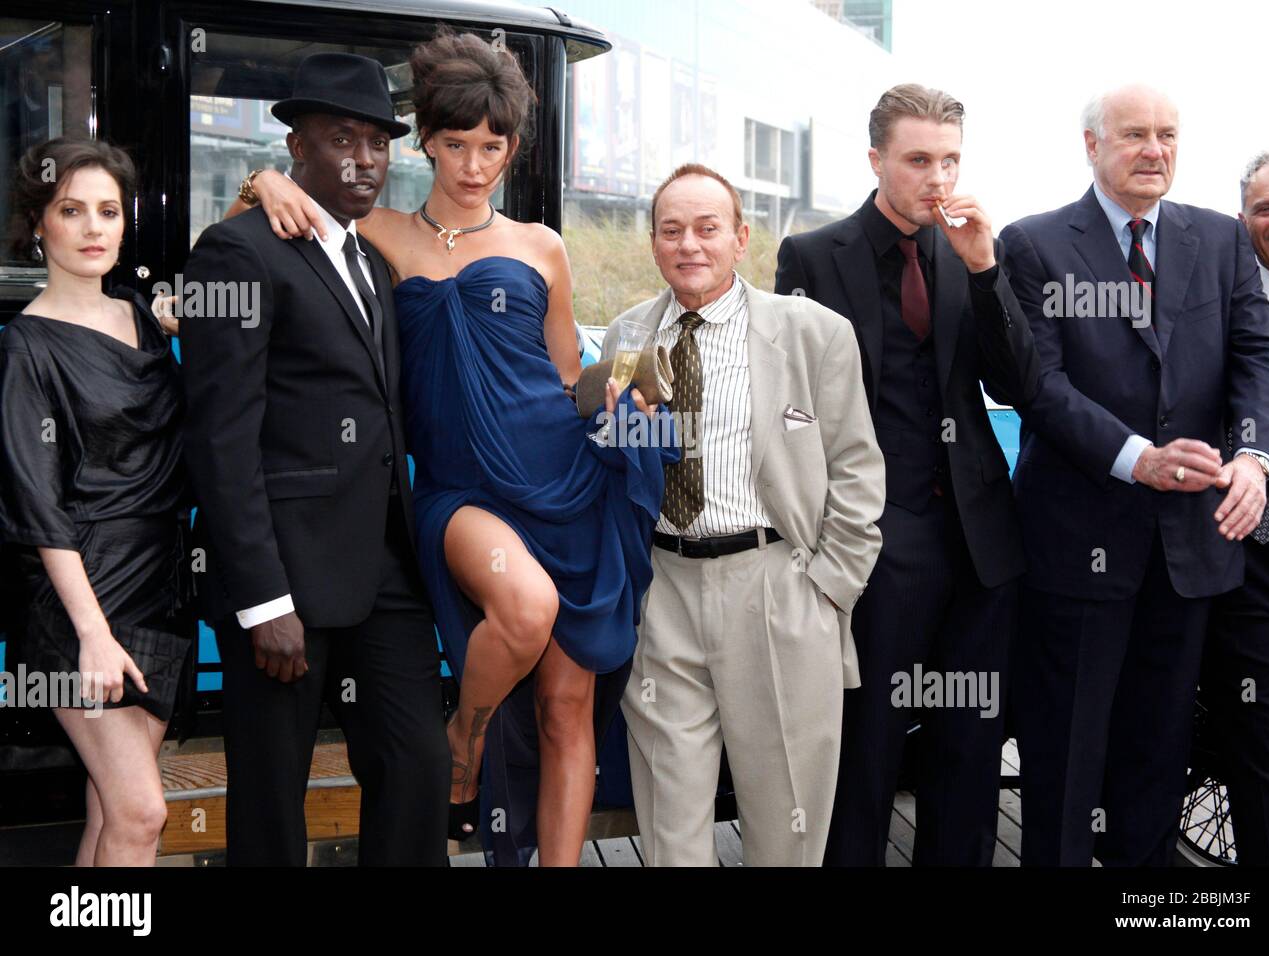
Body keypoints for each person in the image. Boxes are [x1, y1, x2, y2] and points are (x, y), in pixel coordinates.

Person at [227, 29, 674, 866]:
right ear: (425, 140)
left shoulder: (544, 244)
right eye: (456, 144)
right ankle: (464, 738)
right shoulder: (378, 236)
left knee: (565, 708)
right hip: (459, 491)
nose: (474, 164)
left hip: (564, 477)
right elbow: (238, 243)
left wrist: (627, 394)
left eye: (493, 147)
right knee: (525, 607)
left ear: (511, 148)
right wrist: (264, 181)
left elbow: (566, 372)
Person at [999, 85, 1269, 866]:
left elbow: (1259, 358)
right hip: (1077, 544)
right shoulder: (1032, 244)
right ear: (1091, 145)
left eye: (1167, 134)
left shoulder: (1222, 239)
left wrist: (1257, 460)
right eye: (1135, 135)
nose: (1154, 150)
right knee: (1064, 757)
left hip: (1192, 551)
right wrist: (1140, 459)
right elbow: (1039, 385)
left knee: (1159, 759)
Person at [181, 52, 449, 866]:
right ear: (298, 147)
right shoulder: (237, 253)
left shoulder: (371, 260)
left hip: (384, 574)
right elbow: (221, 438)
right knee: (271, 795)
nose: (364, 160)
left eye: (378, 142)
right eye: (342, 139)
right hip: (285, 581)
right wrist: (264, 603)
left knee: (416, 764)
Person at [776, 84, 1040, 867]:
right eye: (919, 159)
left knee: (971, 743)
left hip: (980, 539)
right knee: (868, 745)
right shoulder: (814, 256)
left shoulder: (974, 254)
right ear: (876, 160)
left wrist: (988, 273)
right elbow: (789, 406)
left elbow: (1020, 383)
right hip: (874, 540)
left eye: (950, 160)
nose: (938, 178)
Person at [610, 163, 885, 866]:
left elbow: (857, 467)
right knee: (670, 822)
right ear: (652, 242)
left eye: (707, 229)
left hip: (777, 588)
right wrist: (616, 428)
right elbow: (620, 466)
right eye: (672, 230)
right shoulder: (627, 339)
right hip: (663, 588)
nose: (689, 245)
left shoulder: (813, 333)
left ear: (741, 238)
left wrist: (828, 591)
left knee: (784, 824)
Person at [0, 137, 194, 866]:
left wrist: (259, 186)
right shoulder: (26, 347)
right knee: (144, 813)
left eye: (107, 211)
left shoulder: (145, 317)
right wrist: (91, 633)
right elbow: (34, 500)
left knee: (112, 815)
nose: (92, 228)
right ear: (39, 224)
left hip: (161, 586)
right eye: (71, 210)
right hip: (78, 601)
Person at [1207, 149, 1269, 865]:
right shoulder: (1216, 298)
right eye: (1266, 208)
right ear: (1244, 221)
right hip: (1251, 552)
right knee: (1265, 746)